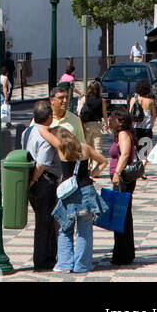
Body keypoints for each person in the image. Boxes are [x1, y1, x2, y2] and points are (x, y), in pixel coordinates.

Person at [52, 127, 108, 273]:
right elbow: (103, 161)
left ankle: (64, 264)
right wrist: (93, 174)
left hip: (68, 194)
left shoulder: (61, 149)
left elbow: (43, 133)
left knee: (65, 228)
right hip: (86, 193)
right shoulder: (85, 148)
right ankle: (82, 265)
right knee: (84, 231)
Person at [25, 100, 62, 271]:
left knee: (42, 220)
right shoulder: (45, 136)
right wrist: (34, 180)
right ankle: (44, 259)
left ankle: (42, 256)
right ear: (49, 117)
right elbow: (41, 164)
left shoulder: (27, 132)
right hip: (44, 181)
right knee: (45, 223)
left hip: (32, 180)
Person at [108, 109, 138, 265]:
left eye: (112, 118)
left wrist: (117, 173)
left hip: (122, 180)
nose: (110, 120)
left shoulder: (123, 134)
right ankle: (123, 251)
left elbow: (125, 154)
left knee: (121, 215)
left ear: (119, 121)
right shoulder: (123, 133)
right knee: (123, 215)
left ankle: (123, 253)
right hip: (122, 179)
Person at [78, 80, 108, 176]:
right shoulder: (102, 100)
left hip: (86, 125)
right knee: (97, 148)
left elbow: (79, 113)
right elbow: (104, 113)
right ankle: (96, 170)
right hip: (97, 125)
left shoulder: (84, 99)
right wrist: (106, 124)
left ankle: (86, 168)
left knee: (87, 146)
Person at [129, 79, 157, 171]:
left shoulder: (133, 100)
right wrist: (152, 124)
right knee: (144, 152)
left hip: (135, 128)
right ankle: (142, 169)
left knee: (136, 149)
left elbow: (130, 113)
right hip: (146, 128)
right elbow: (154, 115)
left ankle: (138, 169)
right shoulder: (150, 101)